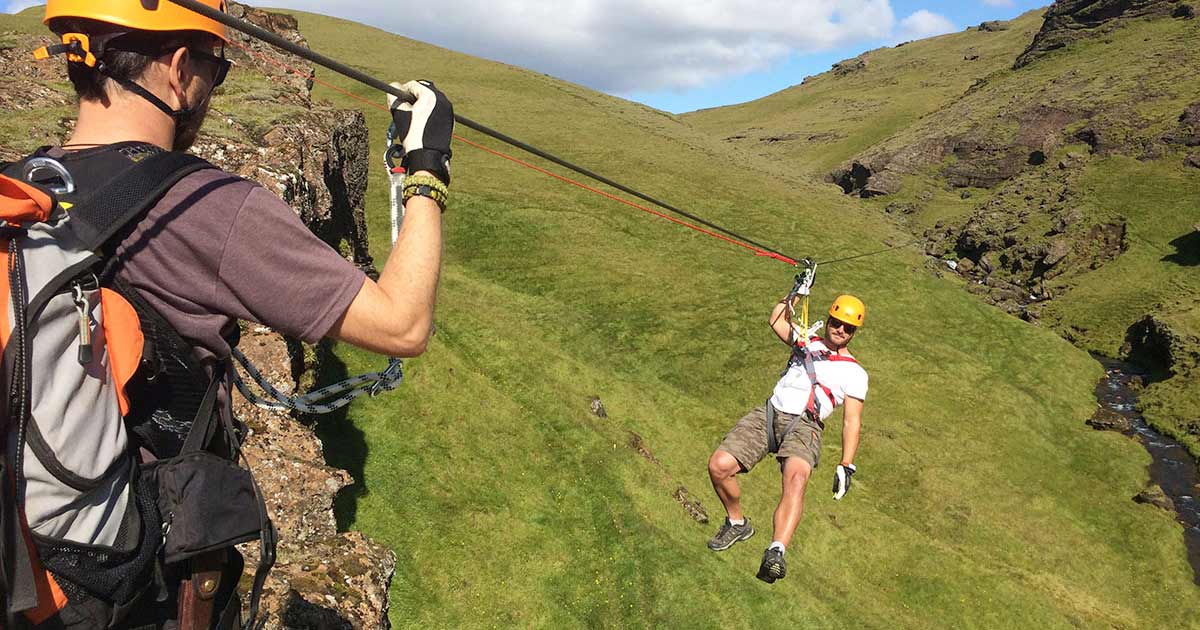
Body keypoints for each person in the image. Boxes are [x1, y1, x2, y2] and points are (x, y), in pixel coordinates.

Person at [6, 0, 452, 626]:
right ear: (180, 69)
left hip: (23, 560)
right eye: (216, 71)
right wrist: (426, 172)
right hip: (131, 578)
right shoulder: (207, 205)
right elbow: (401, 323)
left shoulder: (22, 189)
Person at [706, 294, 868, 583]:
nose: (840, 330)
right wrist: (795, 292)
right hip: (769, 413)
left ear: (854, 333)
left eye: (848, 328)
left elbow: (851, 420)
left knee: (796, 479)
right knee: (719, 466)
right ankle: (737, 522)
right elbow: (777, 321)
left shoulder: (855, 373)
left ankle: (776, 552)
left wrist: (846, 464)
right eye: (837, 323)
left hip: (806, 426)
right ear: (828, 319)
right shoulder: (807, 341)